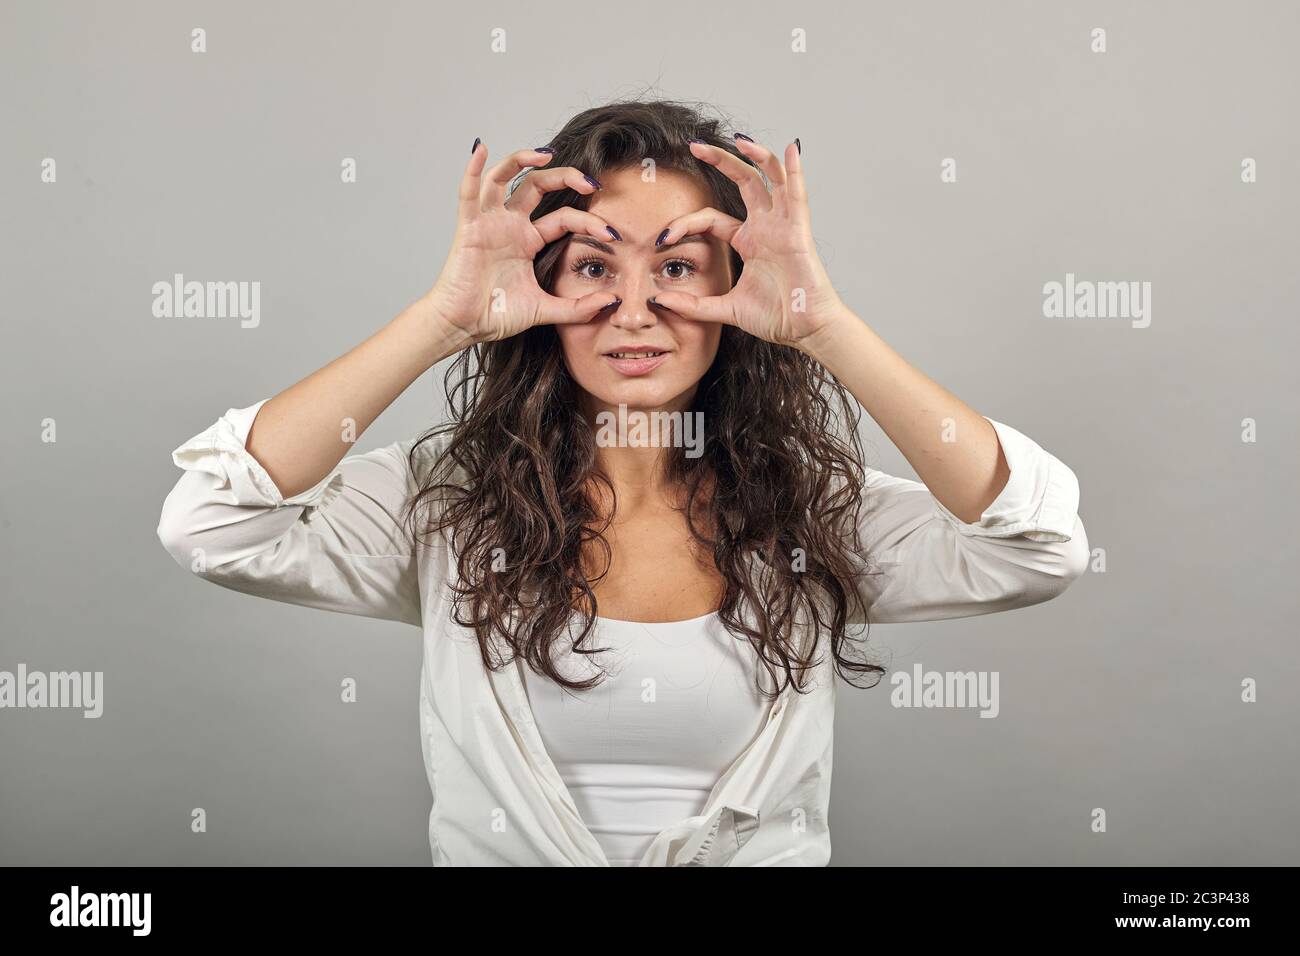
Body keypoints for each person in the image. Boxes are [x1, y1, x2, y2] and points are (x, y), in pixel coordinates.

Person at [157, 99, 1089, 866]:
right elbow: (212, 522)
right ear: (541, 291)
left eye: (677, 268)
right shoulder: (444, 503)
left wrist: (824, 325)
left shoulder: (808, 514)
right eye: (595, 266)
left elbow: (1037, 548)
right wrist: (443, 319)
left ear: (737, 292)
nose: (634, 310)